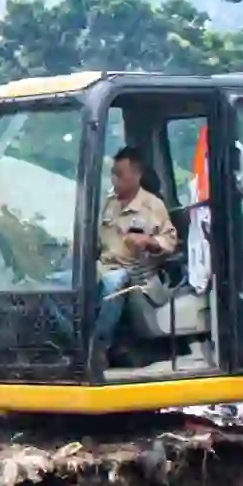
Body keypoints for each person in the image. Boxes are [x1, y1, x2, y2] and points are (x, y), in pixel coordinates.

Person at [92, 146, 178, 371]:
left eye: (119, 174)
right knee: (59, 280)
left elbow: (170, 241)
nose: (114, 179)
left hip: (135, 275)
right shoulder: (107, 203)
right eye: (112, 173)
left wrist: (149, 242)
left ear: (136, 176)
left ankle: (98, 346)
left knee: (114, 282)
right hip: (102, 266)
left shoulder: (152, 206)